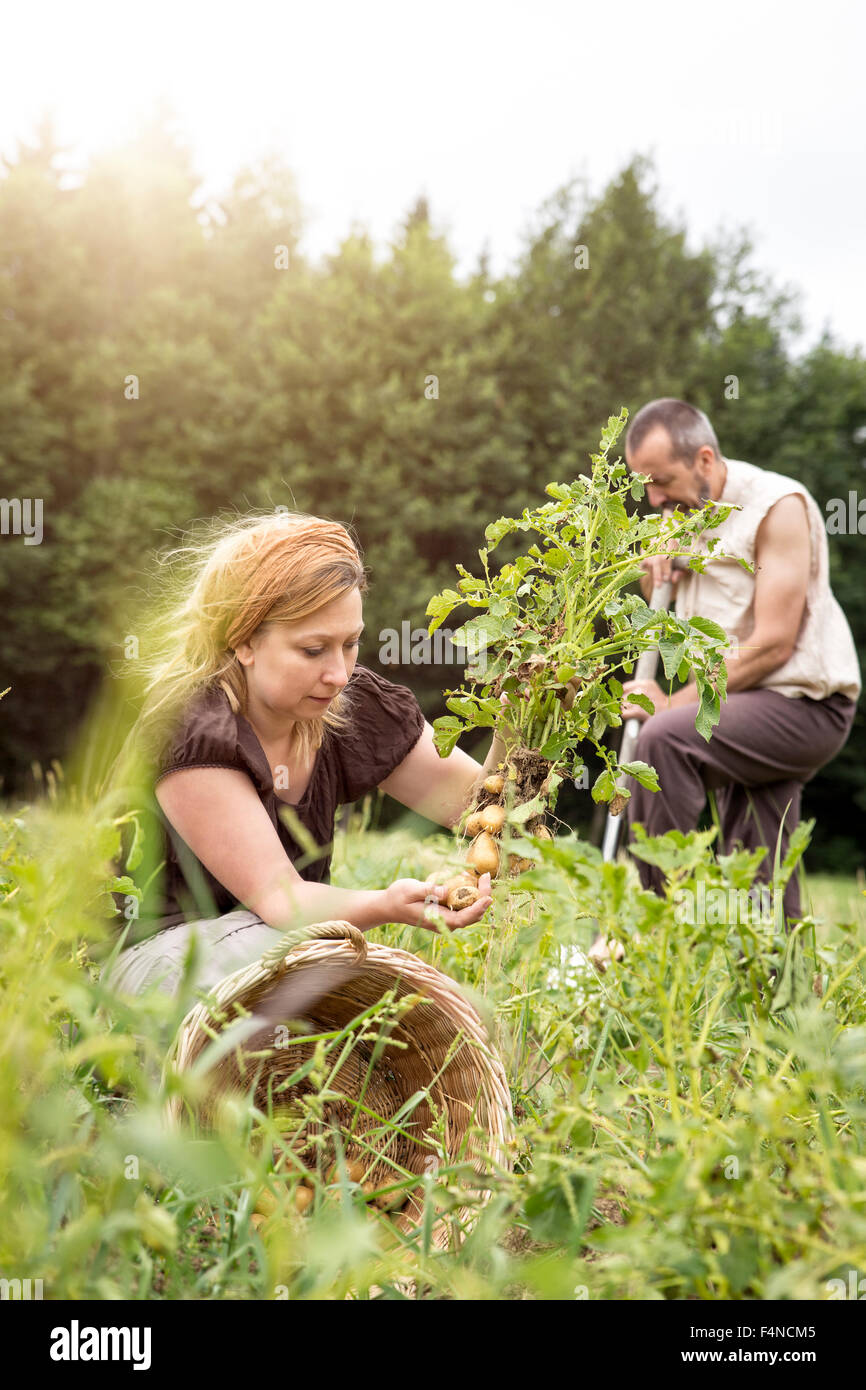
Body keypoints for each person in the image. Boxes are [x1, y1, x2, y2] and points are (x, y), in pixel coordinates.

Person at [103, 510, 502, 1000]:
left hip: (285, 949)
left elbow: (483, 811)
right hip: (154, 964)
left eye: (351, 644)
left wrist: (519, 722)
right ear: (243, 640)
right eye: (313, 650)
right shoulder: (192, 729)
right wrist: (388, 903)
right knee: (305, 974)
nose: (338, 673)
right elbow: (280, 901)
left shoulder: (349, 707)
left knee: (341, 985)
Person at [619, 398, 860, 921]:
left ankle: (654, 929)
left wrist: (671, 706)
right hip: (741, 706)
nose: (654, 498)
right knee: (759, 869)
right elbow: (669, 617)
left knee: (663, 741)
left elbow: (773, 643)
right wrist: (653, 568)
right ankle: (786, 987)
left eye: (662, 481)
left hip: (804, 704)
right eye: (646, 486)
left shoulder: (778, 506)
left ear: (705, 460)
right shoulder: (680, 512)